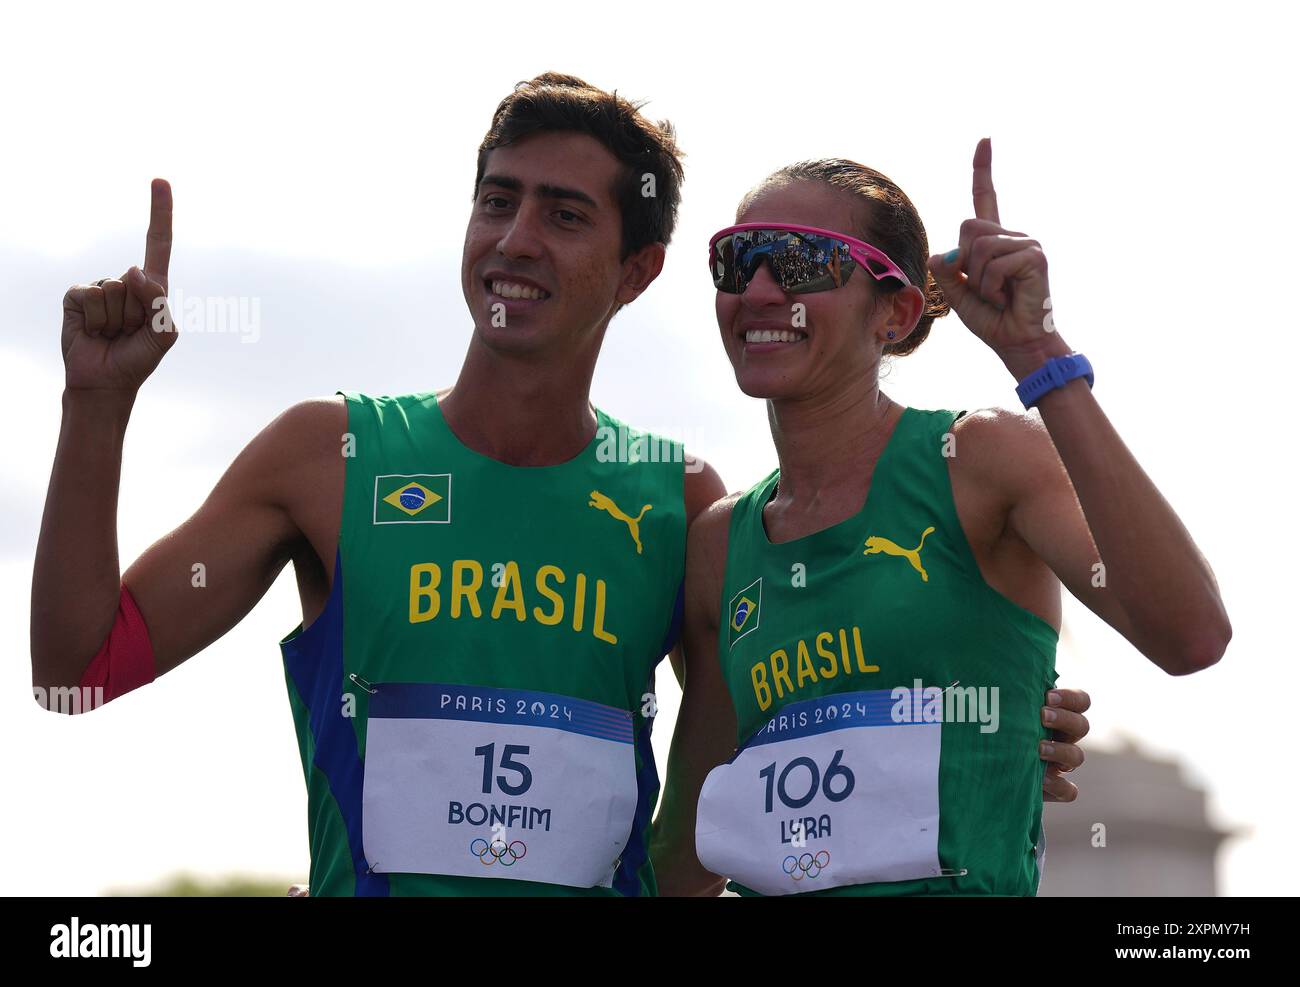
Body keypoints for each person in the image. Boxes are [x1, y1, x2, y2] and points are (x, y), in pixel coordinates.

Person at [30, 75, 1089, 896]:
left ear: (638, 271)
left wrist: (988, 719)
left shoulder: (679, 505)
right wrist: (97, 404)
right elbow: (76, 671)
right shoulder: (327, 455)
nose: (515, 241)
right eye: (498, 202)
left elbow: (785, 735)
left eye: (566, 216)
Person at [651, 140, 1228, 896]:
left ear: (895, 311)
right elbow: (690, 853)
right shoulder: (719, 544)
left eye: (800, 262)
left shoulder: (980, 459)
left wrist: (1039, 355)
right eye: (737, 260)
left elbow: (1191, 632)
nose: (760, 289)